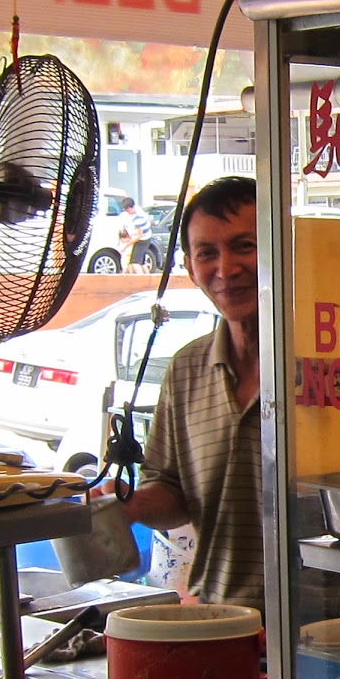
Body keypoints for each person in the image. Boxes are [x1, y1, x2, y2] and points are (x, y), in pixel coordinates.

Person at [113, 176, 267, 613]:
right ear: (188, 266)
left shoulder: (333, 362)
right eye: (207, 253)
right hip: (222, 616)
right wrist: (129, 504)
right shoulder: (186, 369)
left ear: (283, 247)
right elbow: (172, 491)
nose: (226, 269)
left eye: (244, 246)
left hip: (333, 620)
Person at [117, 195, 153, 273]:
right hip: (145, 237)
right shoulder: (137, 208)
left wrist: (126, 245)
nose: (127, 211)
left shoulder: (138, 218)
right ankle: (148, 278)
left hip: (143, 239)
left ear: (131, 207)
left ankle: (140, 279)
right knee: (142, 262)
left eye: (127, 209)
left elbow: (139, 236)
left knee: (135, 262)